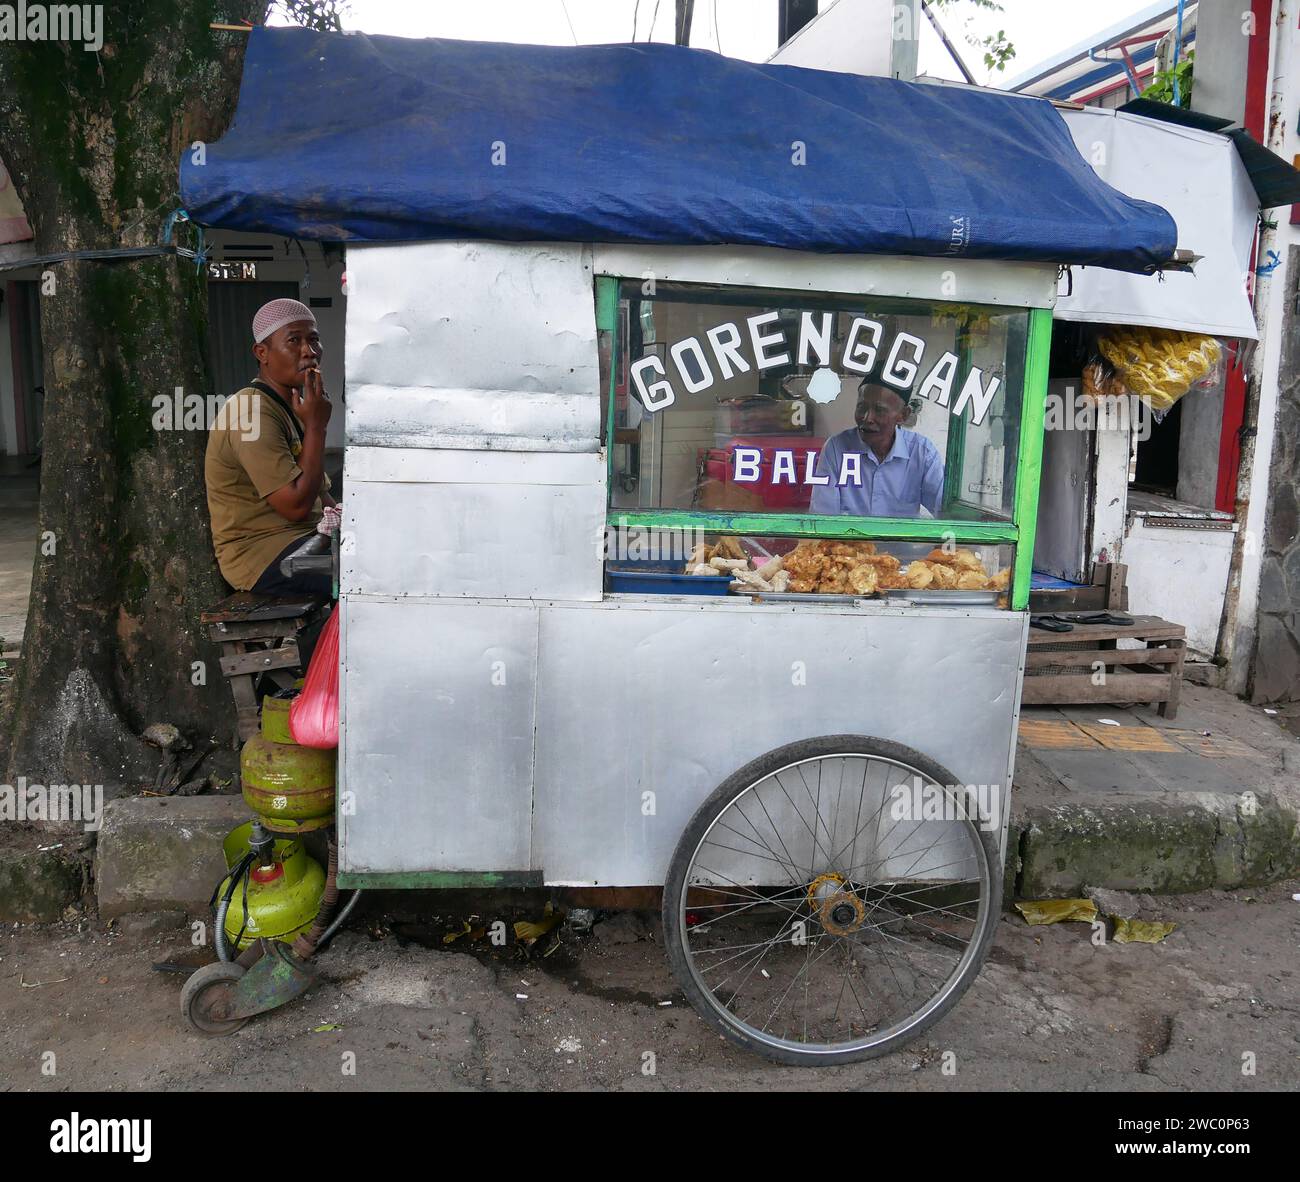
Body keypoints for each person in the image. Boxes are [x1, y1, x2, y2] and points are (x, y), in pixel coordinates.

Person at [205, 298, 338, 600]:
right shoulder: (250, 412)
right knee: (364, 575)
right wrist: (317, 426)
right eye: (294, 341)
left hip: (304, 539)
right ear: (262, 353)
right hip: (264, 555)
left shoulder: (294, 406)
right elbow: (295, 507)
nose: (309, 352)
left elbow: (322, 496)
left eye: (314, 340)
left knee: (386, 555)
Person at [810, 379, 944, 517]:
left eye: (879, 410)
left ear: (903, 415)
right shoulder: (836, 449)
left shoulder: (922, 453)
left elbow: (946, 511)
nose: (867, 418)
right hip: (849, 538)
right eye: (862, 407)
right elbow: (822, 518)